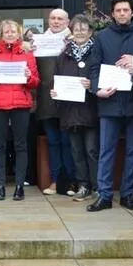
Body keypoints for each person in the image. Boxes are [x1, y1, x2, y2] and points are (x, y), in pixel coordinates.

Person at [86, 0, 133, 212]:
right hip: (109, 102)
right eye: (118, 10)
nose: (122, 14)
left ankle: (128, 194)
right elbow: (94, 67)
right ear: (112, 13)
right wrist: (98, 89)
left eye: (126, 10)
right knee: (106, 151)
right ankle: (104, 195)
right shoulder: (101, 36)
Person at [0, 19, 40, 201]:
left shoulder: (27, 53)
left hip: (21, 103)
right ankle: (0, 186)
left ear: (19, 33)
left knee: (21, 145)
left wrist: (30, 77)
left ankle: (19, 186)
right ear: (1, 34)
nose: (11, 34)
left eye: (14, 31)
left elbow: (36, 81)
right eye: (7, 32)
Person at [51, 15, 98, 201]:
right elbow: (56, 79)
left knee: (92, 151)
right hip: (70, 112)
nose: (79, 32)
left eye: (83, 29)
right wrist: (55, 93)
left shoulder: (97, 53)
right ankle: (83, 185)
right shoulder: (63, 56)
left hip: (91, 110)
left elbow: (103, 78)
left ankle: (97, 186)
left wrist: (92, 84)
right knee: (76, 152)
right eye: (76, 29)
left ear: (91, 32)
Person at [34, 9, 74, 196]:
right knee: (53, 142)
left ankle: (71, 182)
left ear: (67, 22)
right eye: (53, 18)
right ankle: (56, 181)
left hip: (69, 100)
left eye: (60, 19)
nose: (56, 21)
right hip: (47, 100)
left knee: (68, 142)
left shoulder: (74, 41)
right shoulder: (39, 41)